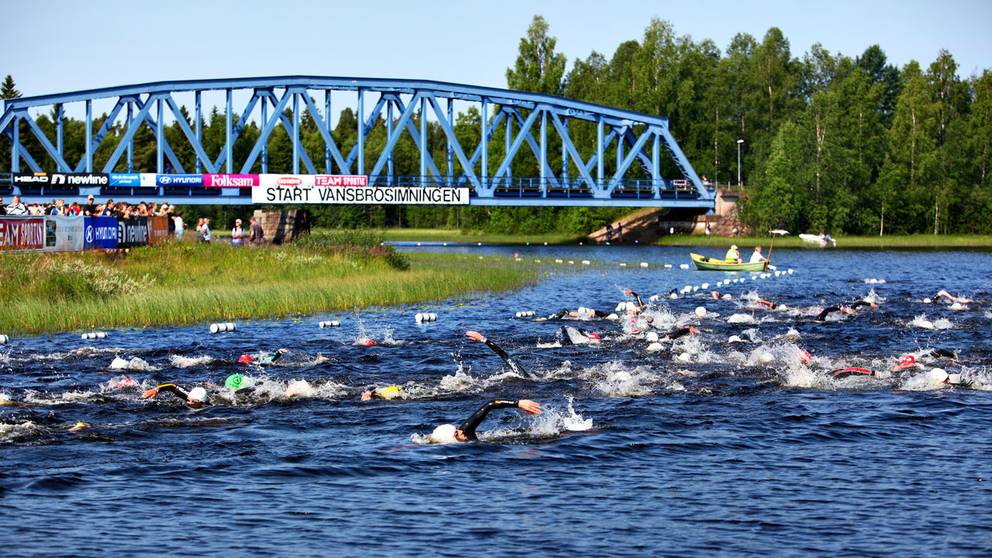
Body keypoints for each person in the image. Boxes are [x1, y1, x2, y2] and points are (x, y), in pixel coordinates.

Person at [428, 399, 542, 443]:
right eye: (456, 433)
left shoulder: (465, 431)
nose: (461, 431)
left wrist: (518, 403)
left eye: (457, 429)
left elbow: (490, 405)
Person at [465, 331, 533, 378]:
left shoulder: (522, 376)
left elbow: (503, 354)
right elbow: (503, 355)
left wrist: (482, 339)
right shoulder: (524, 376)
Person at [142, 383, 210, 408]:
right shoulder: (188, 396)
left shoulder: (207, 406)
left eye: (194, 401)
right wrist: (156, 390)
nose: (189, 401)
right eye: (189, 399)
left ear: (201, 403)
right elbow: (173, 386)